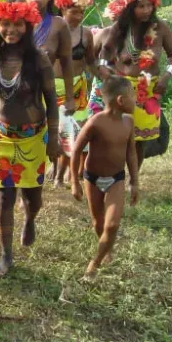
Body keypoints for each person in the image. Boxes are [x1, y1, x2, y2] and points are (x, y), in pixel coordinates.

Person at [0, 0, 60, 276]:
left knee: (33, 196)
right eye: (6, 24)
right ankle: (6, 254)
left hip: (33, 138)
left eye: (18, 24)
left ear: (28, 27)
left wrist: (53, 139)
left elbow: (51, 100)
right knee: (4, 197)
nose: (11, 30)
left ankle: (30, 218)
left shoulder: (38, 59)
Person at [97, 0, 172, 167]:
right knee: (119, 134)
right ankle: (115, 172)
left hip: (149, 90)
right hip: (122, 89)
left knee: (141, 139)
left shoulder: (161, 28)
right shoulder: (120, 28)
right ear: (130, 8)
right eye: (141, 6)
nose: (147, 10)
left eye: (149, 5)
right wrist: (103, 67)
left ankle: (133, 178)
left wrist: (167, 76)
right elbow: (105, 50)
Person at [71, 75, 140, 281]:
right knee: (98, 223)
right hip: (91, 178)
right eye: (132, 96)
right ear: (120, 100)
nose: (135, 100)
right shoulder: (96, 122)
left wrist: (134, 181)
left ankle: (94, 263)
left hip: (116, 179)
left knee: (112, 225)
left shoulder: (128, 122)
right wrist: (75, 181)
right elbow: (76, 151)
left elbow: (131, 153)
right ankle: (106, 248)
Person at [16, 0, 76, 115]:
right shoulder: (13, 23)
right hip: (12, 92)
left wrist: (70, 98)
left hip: (43, 93)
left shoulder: (59, 25)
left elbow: (66, 62)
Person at [52, 0, 96, 185]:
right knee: (53, 131)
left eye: (81, 12)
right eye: (74, 12)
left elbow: (91, 62)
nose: (79, 16)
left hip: (77, 88)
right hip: (52, 88)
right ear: (62, 9)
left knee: (73, 133)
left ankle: (62, 176)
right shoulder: (49, 31)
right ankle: (54, 170)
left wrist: (107, 76)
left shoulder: (86, 34)